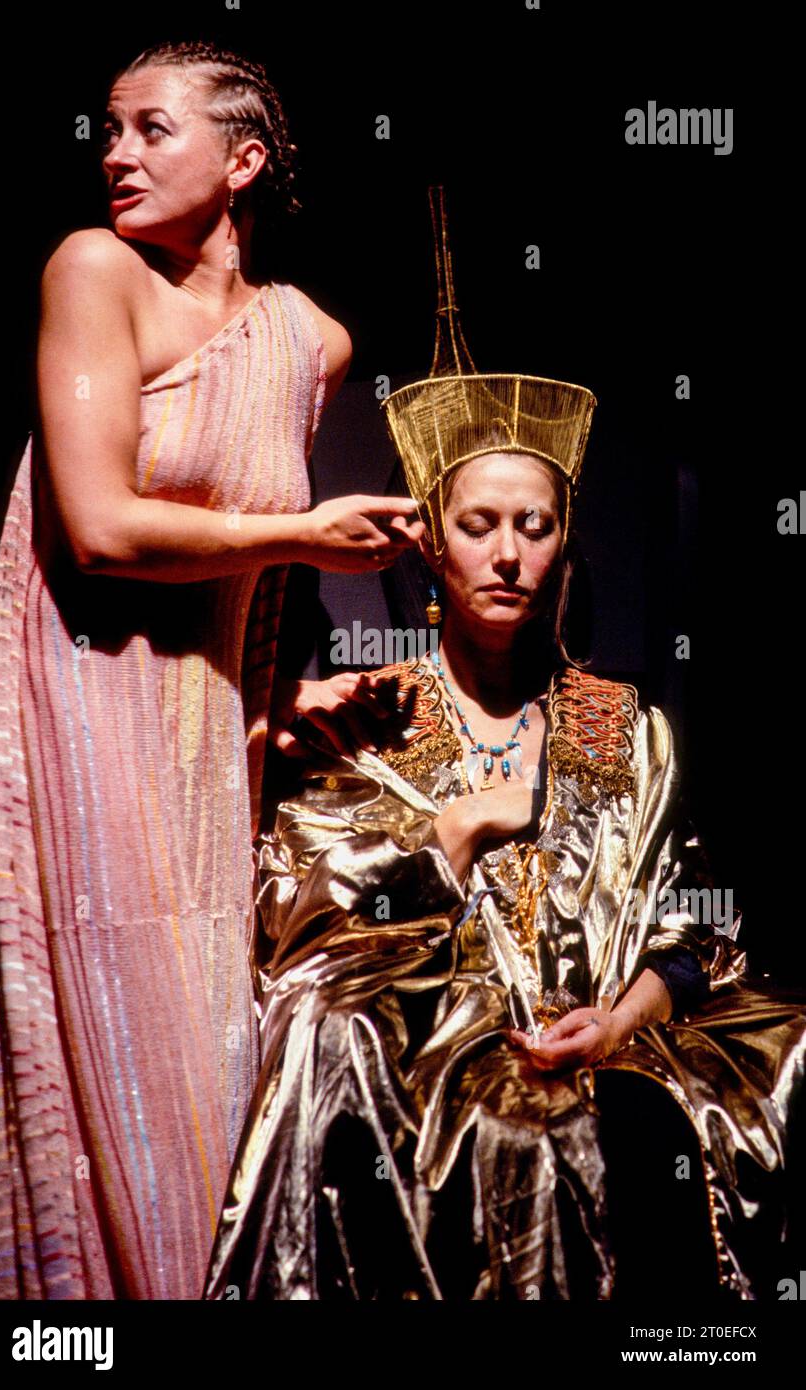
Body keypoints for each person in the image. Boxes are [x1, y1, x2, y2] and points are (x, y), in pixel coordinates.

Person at [201, 189, 806, 1301]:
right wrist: (453, 830)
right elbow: (304, 925)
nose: (509, 555)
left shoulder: (622, 726)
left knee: (726, 1073)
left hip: (609, 1040)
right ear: (431, 547)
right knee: (450, 1114)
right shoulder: (371, 709)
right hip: (427, 1053)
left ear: (564, 544)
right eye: (479, 526)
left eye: (534, 526)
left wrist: (618, 1020)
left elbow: (691, 926)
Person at [0, 40, 422, 1300]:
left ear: (244, 160)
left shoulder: (309, 338)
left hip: (204, 736)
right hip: (77, 698)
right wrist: (303, 533)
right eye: (107, 131)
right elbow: (103, 527)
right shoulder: (92, 270)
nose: (115, 153)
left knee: (206, 1066)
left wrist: (286, 702)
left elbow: (248, 593)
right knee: (103, 1035)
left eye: (150, 129)